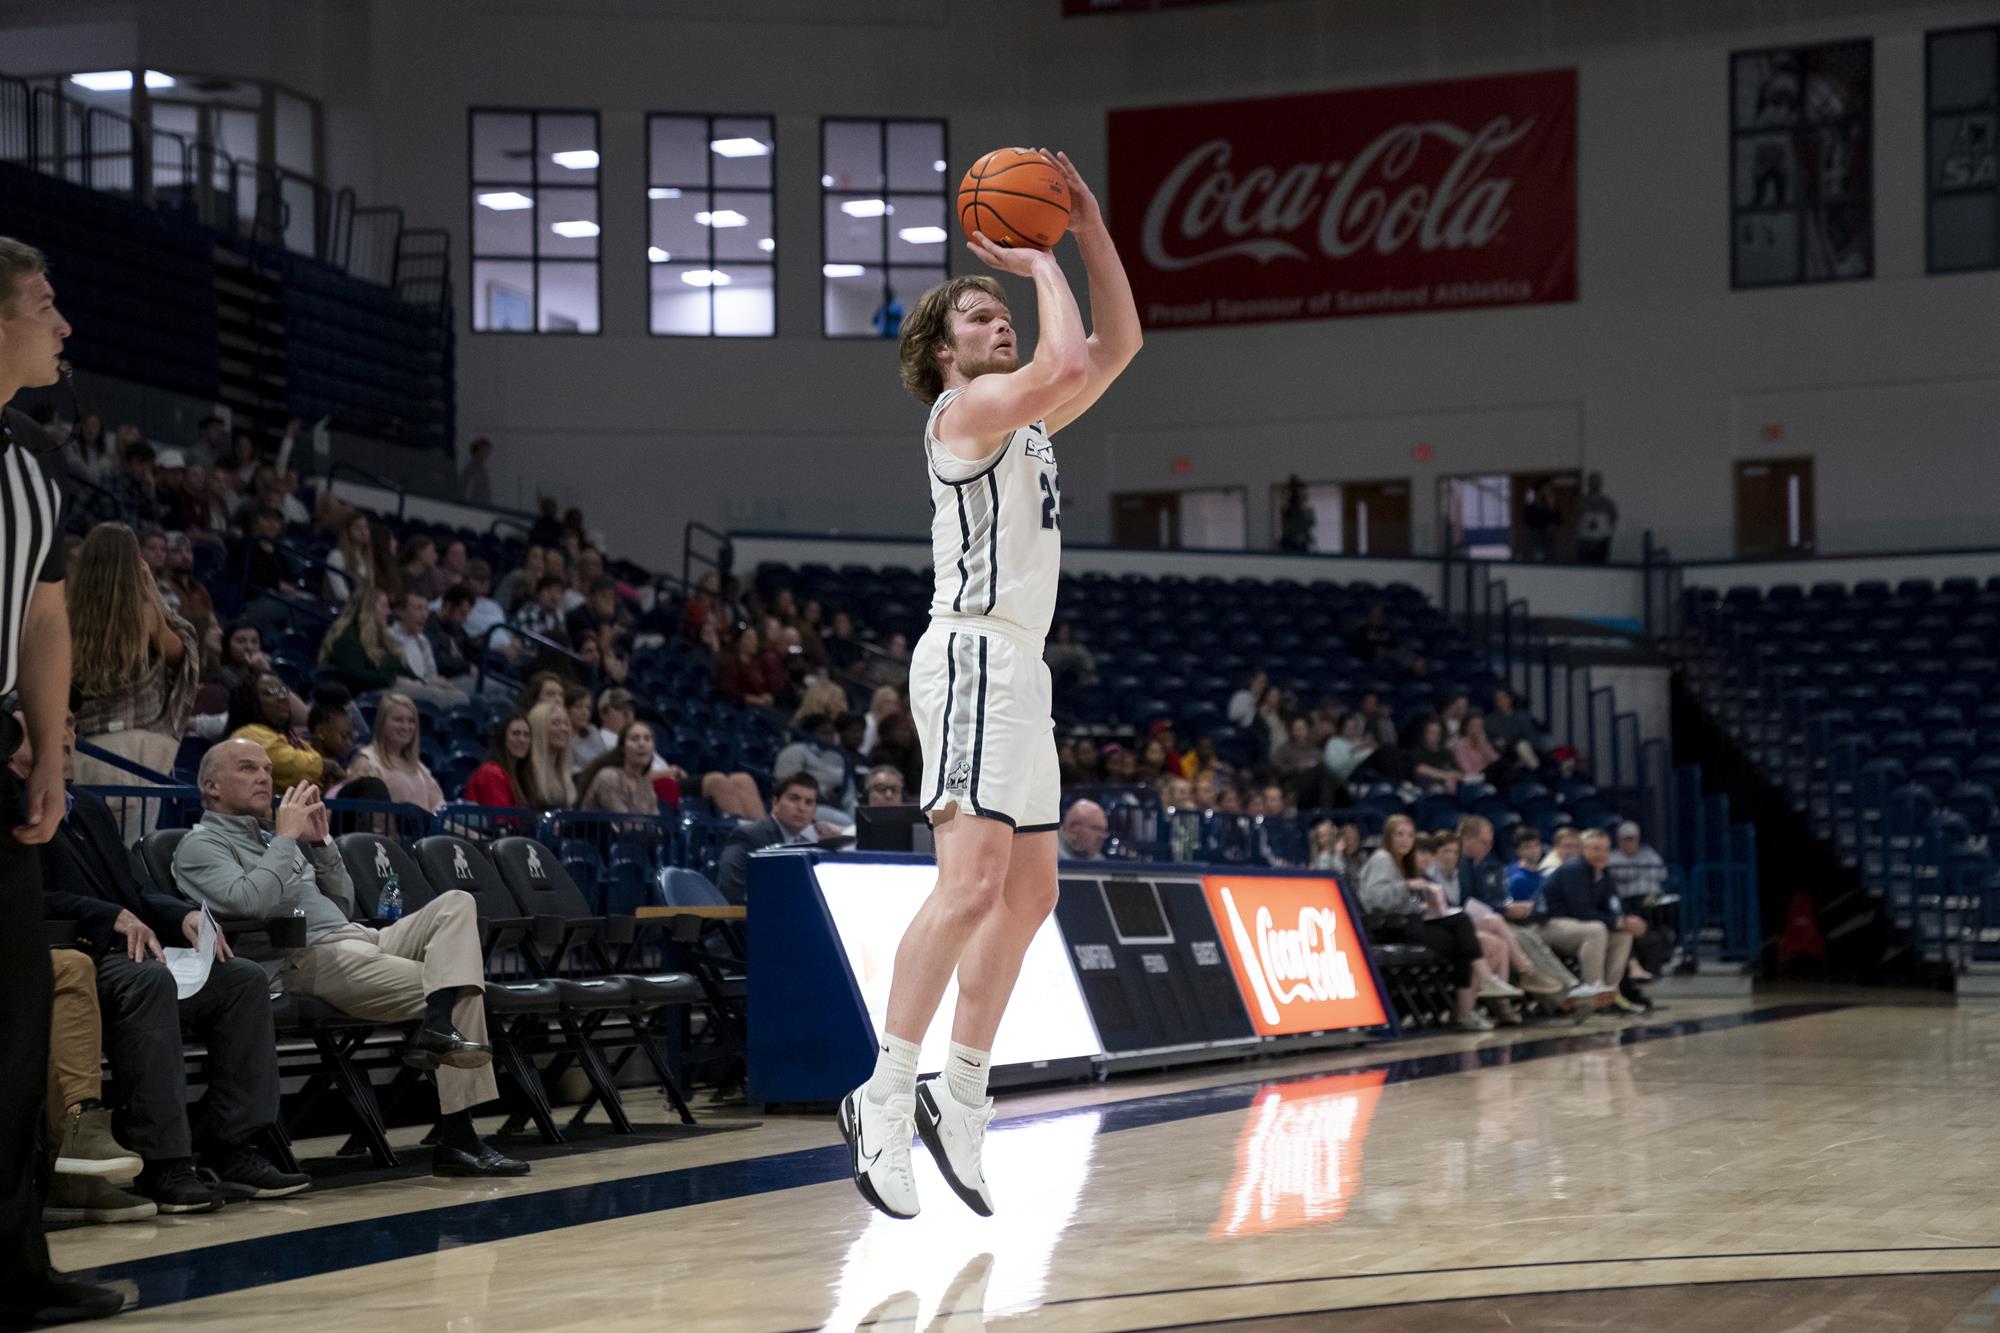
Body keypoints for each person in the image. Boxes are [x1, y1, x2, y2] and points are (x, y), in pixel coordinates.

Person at [842, 149, 1141, 1223]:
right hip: (970, 652)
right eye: (979, 315)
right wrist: (1037, 257)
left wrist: (1086, 225)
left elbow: (1117, 346)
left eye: (1002, 311)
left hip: (1021, 664)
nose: (1000, 321)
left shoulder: (1025, 417)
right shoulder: (963, 414)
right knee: (967, 886)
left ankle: (961, 1092)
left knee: (1030, 895)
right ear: (942, 352)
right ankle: (883, 1093)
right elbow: (1064, 359)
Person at [173, 740, 526, 1176]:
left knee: (456, 903)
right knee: (460, 987)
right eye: (248, 769)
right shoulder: (200, 846)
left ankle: (437, 1026)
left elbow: (341, 904)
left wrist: (322, 843)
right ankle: (459, 1135)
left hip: (356, 936)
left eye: (266, 769)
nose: (264, 777)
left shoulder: (272, 838)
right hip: (301, 957)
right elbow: (250, 903)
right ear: (211, 787)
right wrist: (285, 839)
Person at [30, 711, 306, 1213]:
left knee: (242, 979)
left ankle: (234, 1147)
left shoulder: (88, 806)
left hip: (126, 952)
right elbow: (28, 897)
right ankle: (165, 1161)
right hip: (70, 955)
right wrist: (106, 914)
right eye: (56, 723)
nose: (66, 734)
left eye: (71, 724)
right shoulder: (18, 805)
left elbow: (134, 890)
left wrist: (184, 915)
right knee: (150, 982)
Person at [0, 235, 127, 1322]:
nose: (64, 324)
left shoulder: (34, 452)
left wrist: (49, 748)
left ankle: (14, 1269)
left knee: (15, 1012)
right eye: (45, 303)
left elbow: (45, 612)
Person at [68, 523, 201, 831]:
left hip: (83, 750)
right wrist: (152, 589)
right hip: (136, 755)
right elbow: (181, 653)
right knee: (128, 854)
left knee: (86, 848)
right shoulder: (145, 612)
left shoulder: (67, 612)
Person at [1356, 816, 1521, 1031]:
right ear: (1388, 836)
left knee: (1463, 935)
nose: (1405, 840)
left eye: (1410, 835)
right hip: (1389, 928)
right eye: (1399, 834)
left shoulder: (1403, 861)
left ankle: (1467, 1011)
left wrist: (1420, 902)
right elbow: (1373, 899)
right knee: (1462, 924)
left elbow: (1404, 901)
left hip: (1407, 922)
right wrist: (1408, 886)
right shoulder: (1383, 858)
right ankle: (1482, 985)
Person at [1540, 829, 1646, 1013]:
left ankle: (1610, 994)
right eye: (1596, 849)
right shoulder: (1573, 870)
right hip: (1549, 925)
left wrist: (1627, 922)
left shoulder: (1602, 872)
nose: (1602, 854)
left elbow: (1611, 906)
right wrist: (1619, 922)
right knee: (1596, 929)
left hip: (1577, 926)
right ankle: (1593, 993)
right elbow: (1582, 912)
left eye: (1605, 849)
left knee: (1623, 935)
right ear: (1583, 849)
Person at [715, 772, 843, 905]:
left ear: (814, 811)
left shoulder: (815, 841)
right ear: (775, 802)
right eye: (794, 799)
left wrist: (830, 848)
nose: (801, 808)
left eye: (808, 802)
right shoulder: (747, 835)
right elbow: (730, 893)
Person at [226, 669, 337, 790]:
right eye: (270, 692)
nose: (282, 697)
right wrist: (327, 766)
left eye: (283, 691)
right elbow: (294, 767)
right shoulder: (248, 734)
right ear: (249, 702)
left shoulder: (288, 736)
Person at [344, 692, 447, 812]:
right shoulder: (366, 761)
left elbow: (439, 806)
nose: (406, 727)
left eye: (411, 721)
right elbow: (361, 812)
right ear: (382, 723)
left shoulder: (419, 767)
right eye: (398, 720)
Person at [577, 720, 664, 816]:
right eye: (634, 739)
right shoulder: (609, 777)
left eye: (647, 739)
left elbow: (655, 819)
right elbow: (623, 822)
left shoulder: (645, 781)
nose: (642, 744)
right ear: (623, 748)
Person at [520, 699, 577, 811]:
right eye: (556, 723)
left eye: (566, 723)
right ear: (539, 728)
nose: (564, 728)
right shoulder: (526, 771)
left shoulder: (566, 772)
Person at [465, 715, 532, 808]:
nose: (522, 740)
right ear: (502, 738)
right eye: (516, 733)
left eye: (526, 735)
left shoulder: (521, 774)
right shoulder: (491, 773)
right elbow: (500, 816)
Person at [1576, 471, 1617, 563]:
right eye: (1592, 481)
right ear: (1588, 483)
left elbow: (1613, 518)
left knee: (1601, 566)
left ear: (1600, 483)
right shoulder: (1581, 501)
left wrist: (1607, 533)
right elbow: (1575, 519)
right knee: (1584, 566)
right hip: (1585, 541)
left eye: (1597, 481)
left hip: (1602, 541)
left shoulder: (1608, 502)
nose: (1594, 484)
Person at [460, 436, 493, 506]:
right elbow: (467, 490)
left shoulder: (481, 468)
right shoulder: (471, 468)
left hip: (482, 507)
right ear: (477, 451)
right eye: (484, 450)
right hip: (475, 507)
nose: (487, 453)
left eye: (487, 450)